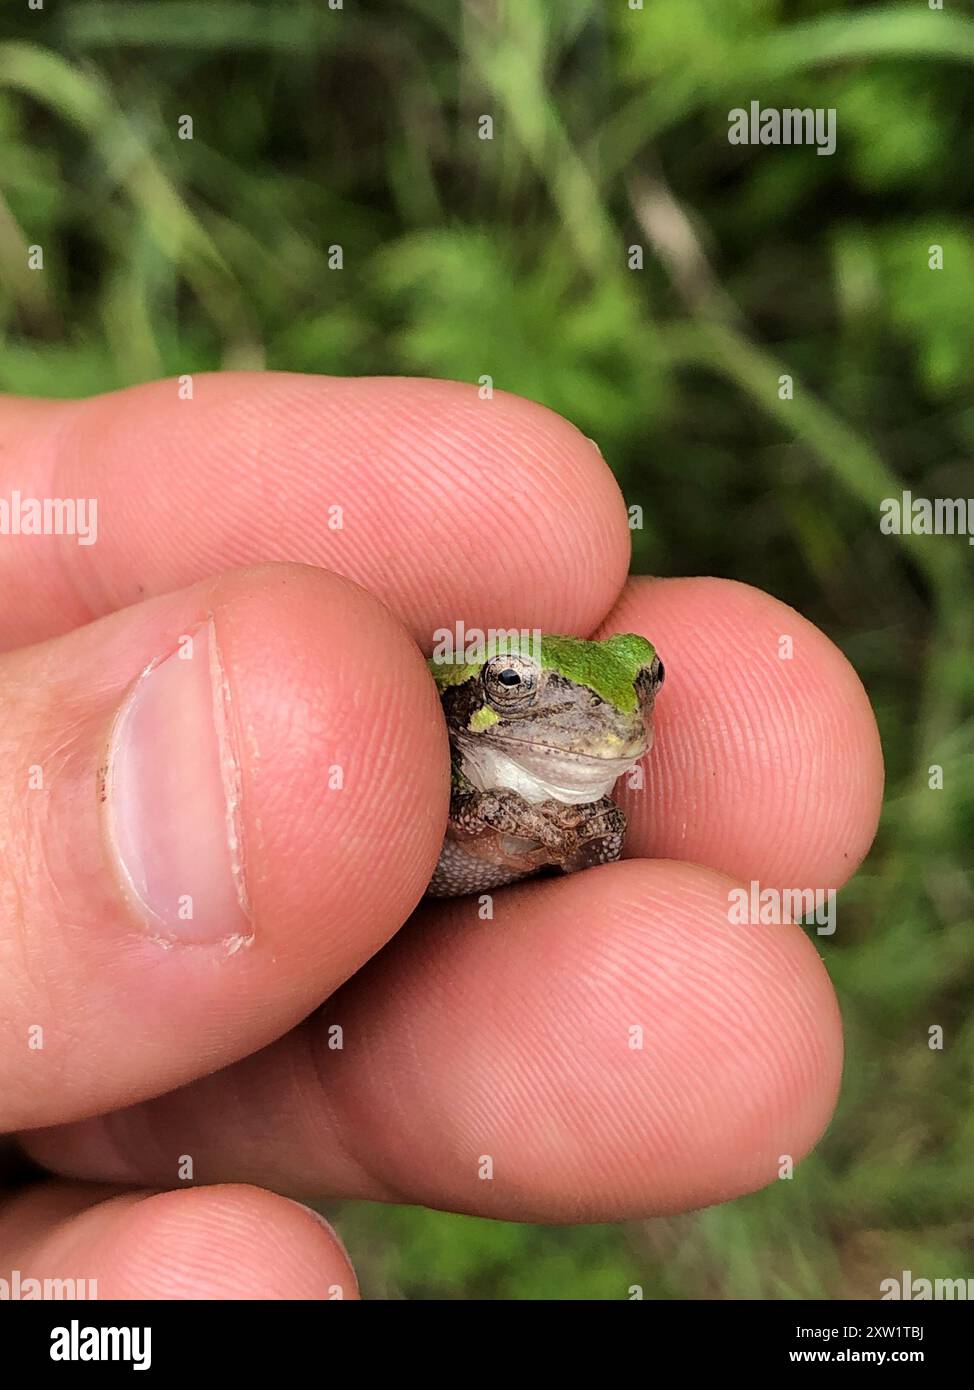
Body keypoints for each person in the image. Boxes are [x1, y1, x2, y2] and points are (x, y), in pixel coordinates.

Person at [0, 373, 882, 1298]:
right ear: (475, 700)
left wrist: (562, 833)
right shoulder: (429, 754)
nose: (614, 707)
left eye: (644, 680)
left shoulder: (597, 785)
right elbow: (439, 816)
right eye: (511, 683)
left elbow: (592, 848)